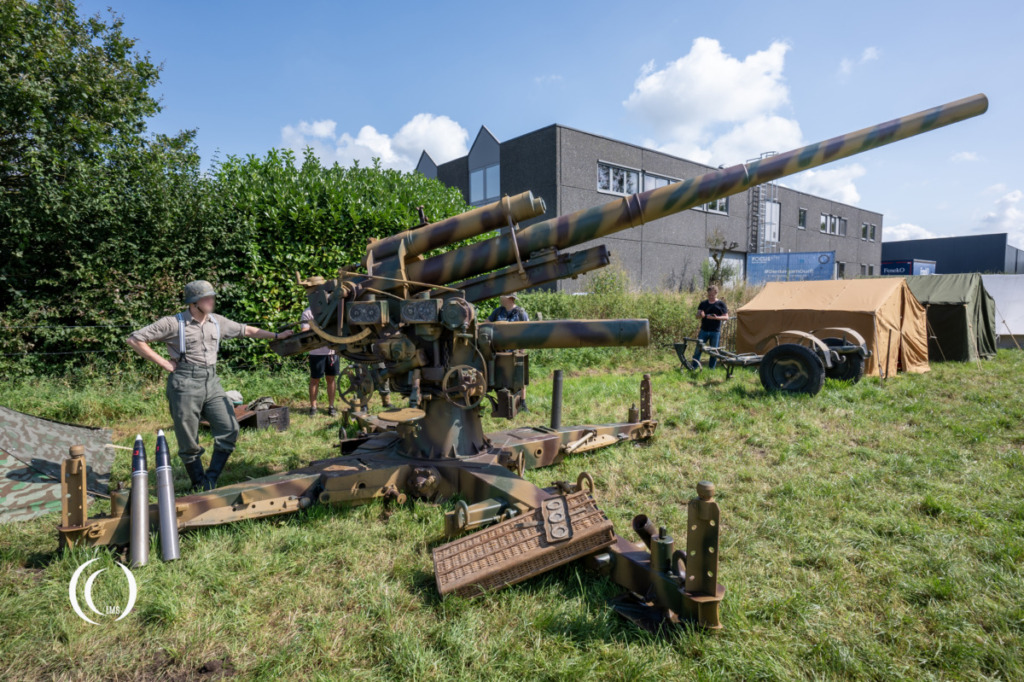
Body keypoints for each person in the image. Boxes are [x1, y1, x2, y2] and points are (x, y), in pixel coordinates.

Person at [126, 280, 293, 491]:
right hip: (185, 382)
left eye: (212, 297)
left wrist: (277, 336)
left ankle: (211, 477)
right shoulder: (173, 323)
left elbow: (246, 330)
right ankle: (198, 482)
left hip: (212, 381)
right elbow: (135, 339)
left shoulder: (217, 321)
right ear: (194, 302)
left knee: (229, 428)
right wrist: (164, 363)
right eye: (207, 298)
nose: (212, 301)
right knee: (188, 438)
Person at [300, 307, 340, 416]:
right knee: (314, 380)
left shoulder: (333, 309)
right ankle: (313, 407)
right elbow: (304, 332)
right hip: (316, 353)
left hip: (332, 352)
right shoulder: (308, 312)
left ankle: (331, 406)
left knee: (331, 379)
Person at [692, 285, 728, 369]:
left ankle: (711, 368)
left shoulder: (721, 304)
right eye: (709, 295)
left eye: (712, 295)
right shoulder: (703, 303)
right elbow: (697, 316)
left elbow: (726, 317)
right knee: (698, 349)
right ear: (707, 294)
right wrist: (700, 315)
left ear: (716, 293)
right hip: (704, 330)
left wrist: (716, 318)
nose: (711, 297)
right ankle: (693, 367)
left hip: (715, 331)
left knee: (714, 351)